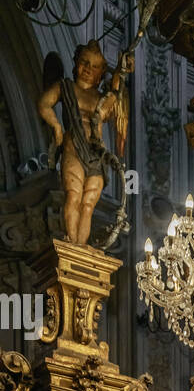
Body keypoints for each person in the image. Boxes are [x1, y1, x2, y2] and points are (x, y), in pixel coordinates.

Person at [38, 41, 130, 247]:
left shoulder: (100, 97)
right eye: (84, 62)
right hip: (73, 147)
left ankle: (80, 247)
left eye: (94, 66)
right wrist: (56, 127)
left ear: (100, 73)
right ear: (76, 63)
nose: (88, 68)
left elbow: (115, 96)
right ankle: (71, 242)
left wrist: (121, 70)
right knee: (73, 195)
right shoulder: (65, 87)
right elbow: (44, 104)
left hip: (96, 153)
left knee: (88, 204)